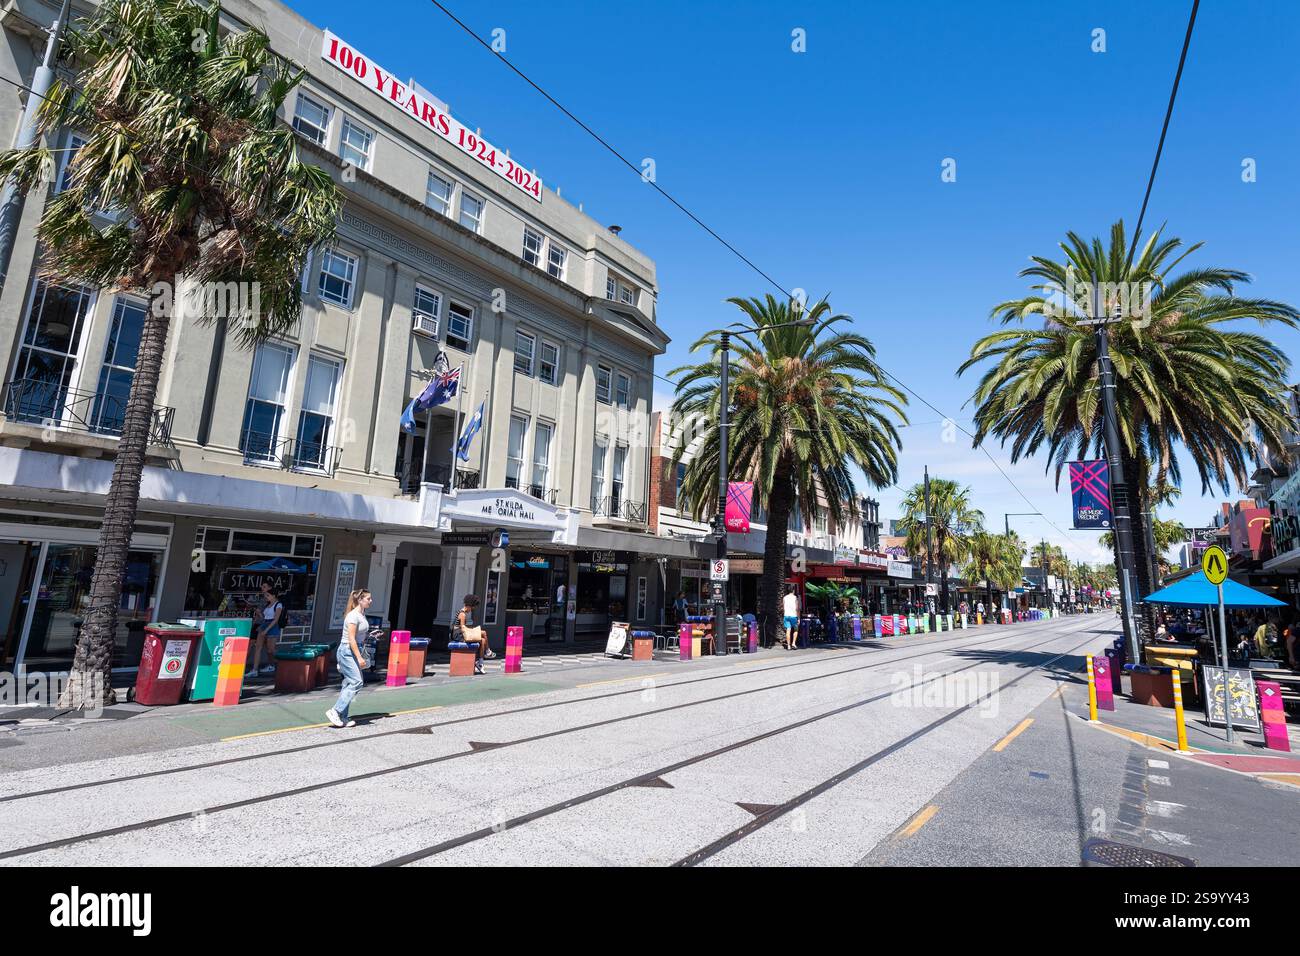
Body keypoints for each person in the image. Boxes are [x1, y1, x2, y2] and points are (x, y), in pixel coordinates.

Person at [327, 588, 372, 728]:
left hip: (354, 649)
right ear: (360, 600)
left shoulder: (361, 614)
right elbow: (351, 639)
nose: (371, 601)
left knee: (348, 683)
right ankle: (335, 710)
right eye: (368, 599)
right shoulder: (353, 616)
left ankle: (343, 717)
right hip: (348, 651)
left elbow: (358, 637)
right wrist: (359, 658)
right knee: (356, 682)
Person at [453, 593, 495, 675]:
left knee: (482, 640)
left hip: (461, 633)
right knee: (483, 633)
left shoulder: (462, 612)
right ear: (469, 605)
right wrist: (473, 631)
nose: (472, 609)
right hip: (458, 636)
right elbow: (463, 628)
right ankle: (488, 652)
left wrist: (473, 631)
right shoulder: (462, 614)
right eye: (473, 607)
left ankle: (481, 662)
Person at [249, 583, 284, 676]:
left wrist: (266, 630)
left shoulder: (279, 605)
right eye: (266, 595)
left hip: (272, 626)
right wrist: (259, 614)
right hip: (264, 624)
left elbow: (276, 619)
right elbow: (264, 617)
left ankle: (279, 663)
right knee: (258, 647)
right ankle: (254, 670)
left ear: (273, 596)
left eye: (268, 595)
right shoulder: (267, 604)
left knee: (270, 649)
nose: (266, 597)